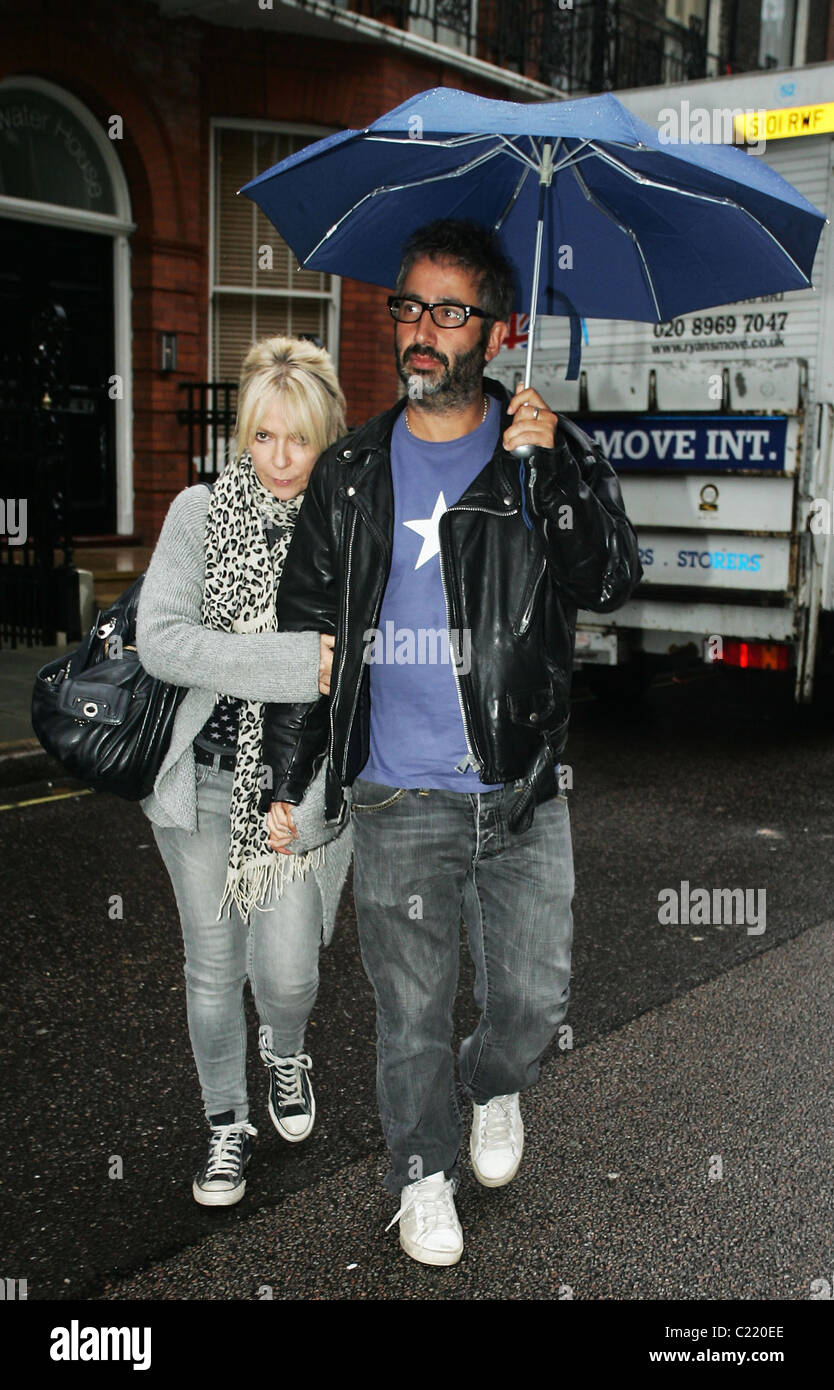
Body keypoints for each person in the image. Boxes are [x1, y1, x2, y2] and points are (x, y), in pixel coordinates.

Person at [260, 220, 642, 1265]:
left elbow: (610, 577)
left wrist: (553, 475)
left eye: (449, 311)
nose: (421, 331)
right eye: (409, 307)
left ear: (499, 330)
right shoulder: (348, 472)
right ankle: (422, 1173)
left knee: (533, 1001)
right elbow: (307, 635)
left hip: (520, 786)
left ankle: (493, 1083)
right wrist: (290, 776)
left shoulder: (545, 453)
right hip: (396, 795)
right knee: (412, 1011)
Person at [136, 335, 352, 1207]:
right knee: (212, 970)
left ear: (326, 437)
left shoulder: (348, 531)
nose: (280, 458)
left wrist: (313, 795)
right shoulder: (198, 514)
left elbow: (358, 679)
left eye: (298, 438)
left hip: (296, 785)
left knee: (289, 972)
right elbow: (162, 641)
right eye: (263, 436)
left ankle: (286, 1051)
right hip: (201, 783)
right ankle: (225, 1125)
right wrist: (291, 664)